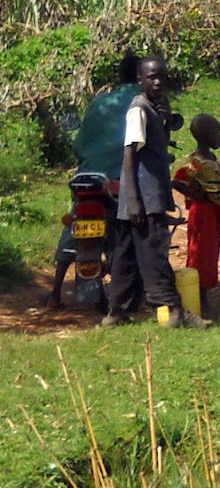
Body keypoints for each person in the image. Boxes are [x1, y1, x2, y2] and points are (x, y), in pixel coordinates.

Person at [103, 56, 209, 329]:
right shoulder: (138, 109)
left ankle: (115, 313)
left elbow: (153, 146)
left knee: (126, 255)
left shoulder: (153, 108)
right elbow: (129, 156)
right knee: (154, 254)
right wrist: (135, 202)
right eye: (152, 77)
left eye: (162, 76)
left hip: (141, 196)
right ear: (140, 81)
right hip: (142, 197)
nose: (158, 81)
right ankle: (175, 311)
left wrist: (164, 119)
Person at [47, 53, 139, 309]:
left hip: (87, 177)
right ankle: (126, 291)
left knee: (74, 223)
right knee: (127, 230)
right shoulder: (143, 101)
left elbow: (79, 144)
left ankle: (55, 293)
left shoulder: (101, 102)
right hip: (119, 179)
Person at [174, 113, 220, 319]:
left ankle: (203, 298)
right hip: (203, 213)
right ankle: (200, 300)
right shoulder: (196, 162)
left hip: (214, 213)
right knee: (200, 255)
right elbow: (177, 181)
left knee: (211, 254)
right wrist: (196, 194)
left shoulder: (212, 159)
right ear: (206, 136)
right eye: (217, 133)